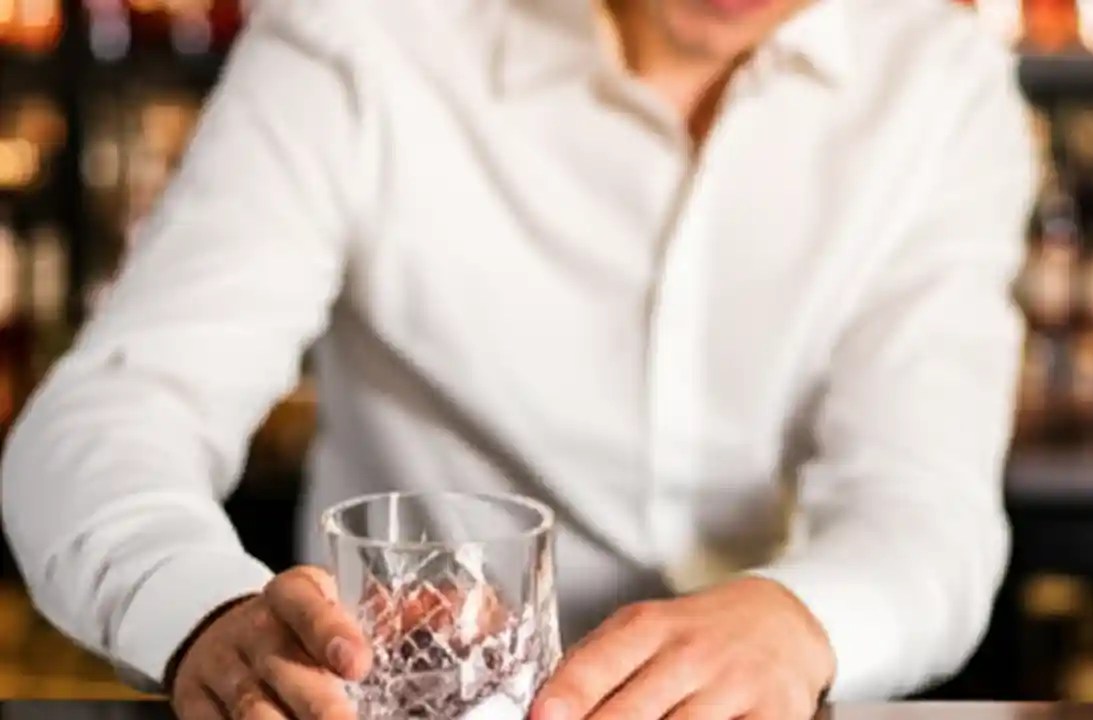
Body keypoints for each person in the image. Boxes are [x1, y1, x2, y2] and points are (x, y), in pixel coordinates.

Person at [1, 0, 1036, 715]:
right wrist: (201, 614)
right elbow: (109, 415)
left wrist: (799, 622)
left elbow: (926, 509)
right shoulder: (364, 37)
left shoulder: (940, 85)